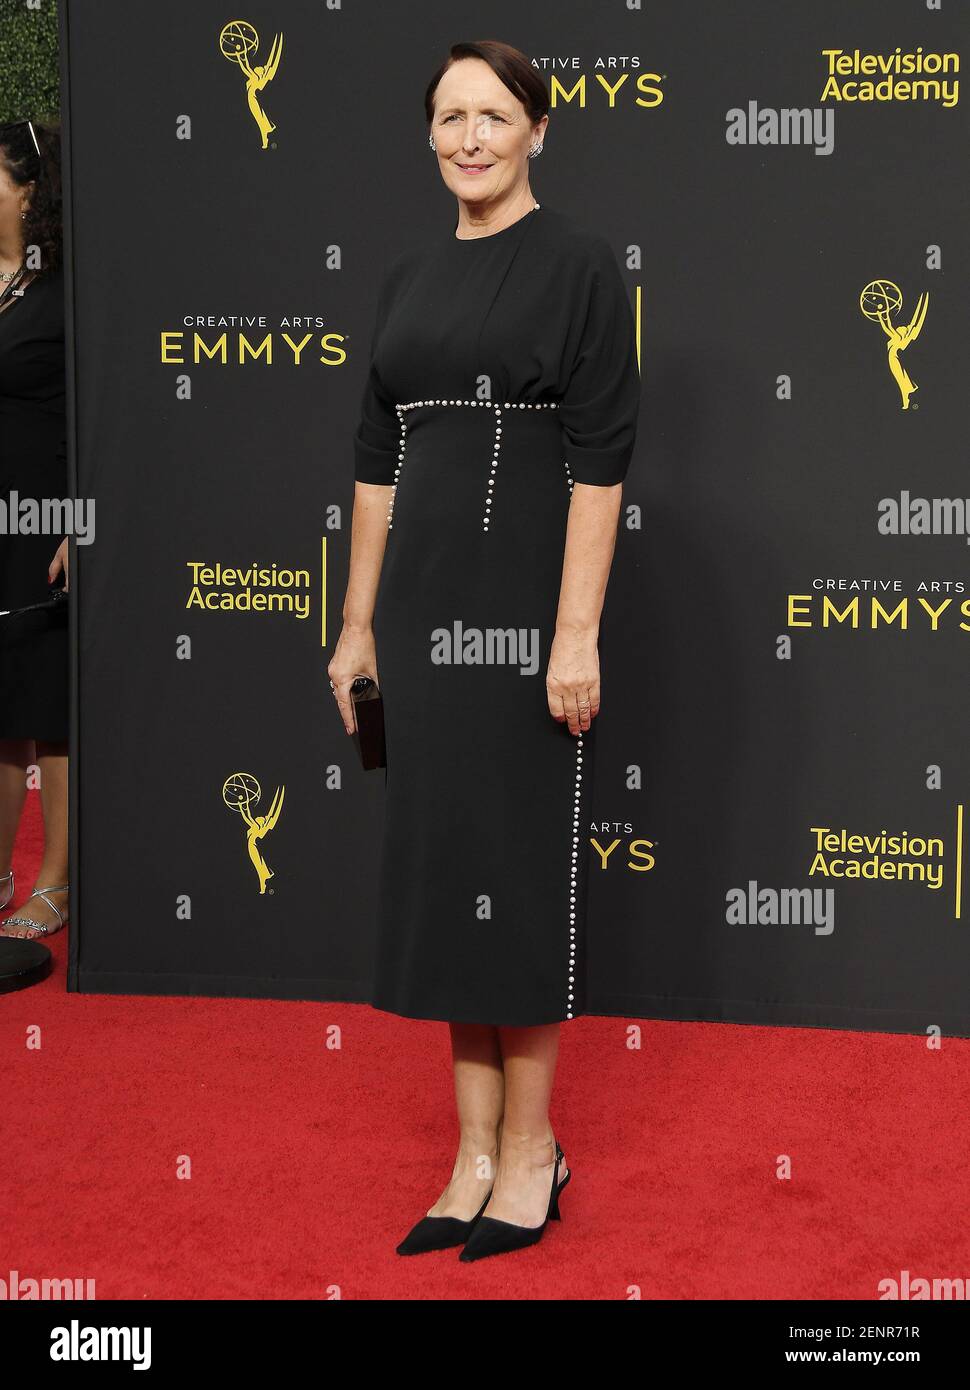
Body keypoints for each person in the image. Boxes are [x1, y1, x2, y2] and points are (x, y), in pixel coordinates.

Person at [328, 40, 640, 1261]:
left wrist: (573, 634)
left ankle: (530, 1151)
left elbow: (604, 462)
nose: (469, 136)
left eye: (494, 115)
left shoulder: (578, 267)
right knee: (446, 875)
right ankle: (467, 1153)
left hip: (521, 621)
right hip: (417, 615)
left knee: (514, 882)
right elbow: (372, 462)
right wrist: (356, 621)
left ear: (538, 130)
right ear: (428, 134)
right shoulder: (405, 276)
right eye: (450, 116)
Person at [0, 118, 70, 940]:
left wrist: (79, 523)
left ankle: (55, 883)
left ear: (28, 191)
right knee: (1, 703)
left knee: (47, 707)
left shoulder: (66, 293)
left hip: (46, 517)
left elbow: (100, 413)